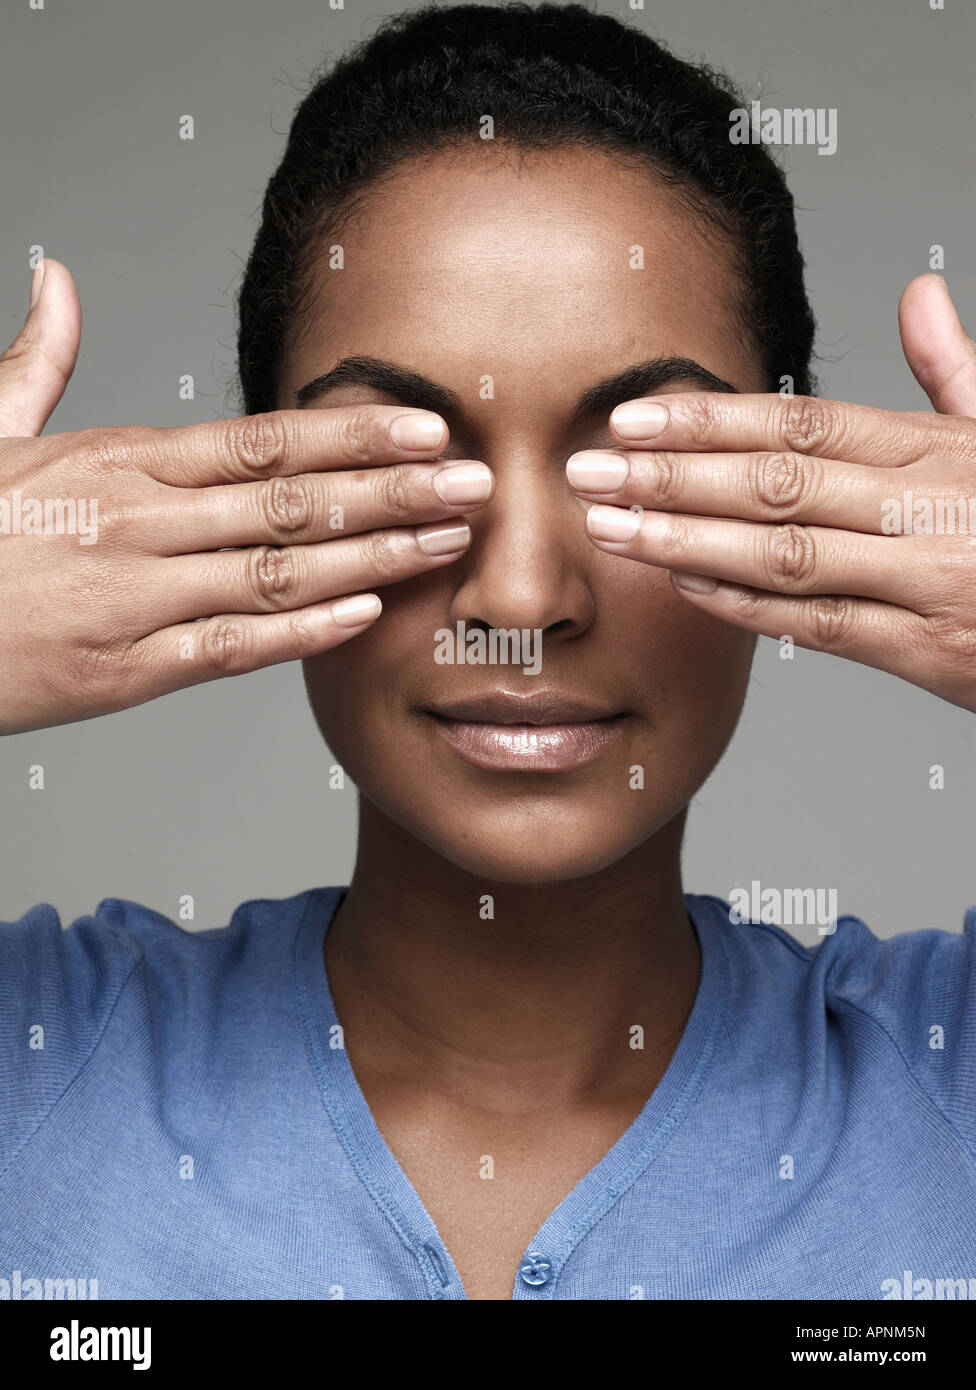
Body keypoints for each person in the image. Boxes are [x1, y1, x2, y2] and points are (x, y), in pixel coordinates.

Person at [1, 3, 975, 1302]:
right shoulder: (42, 1054)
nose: (522, 593)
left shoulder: (941, 1068)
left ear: (800, 478)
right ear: (255, 485)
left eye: (641, 460)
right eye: (401, 458)